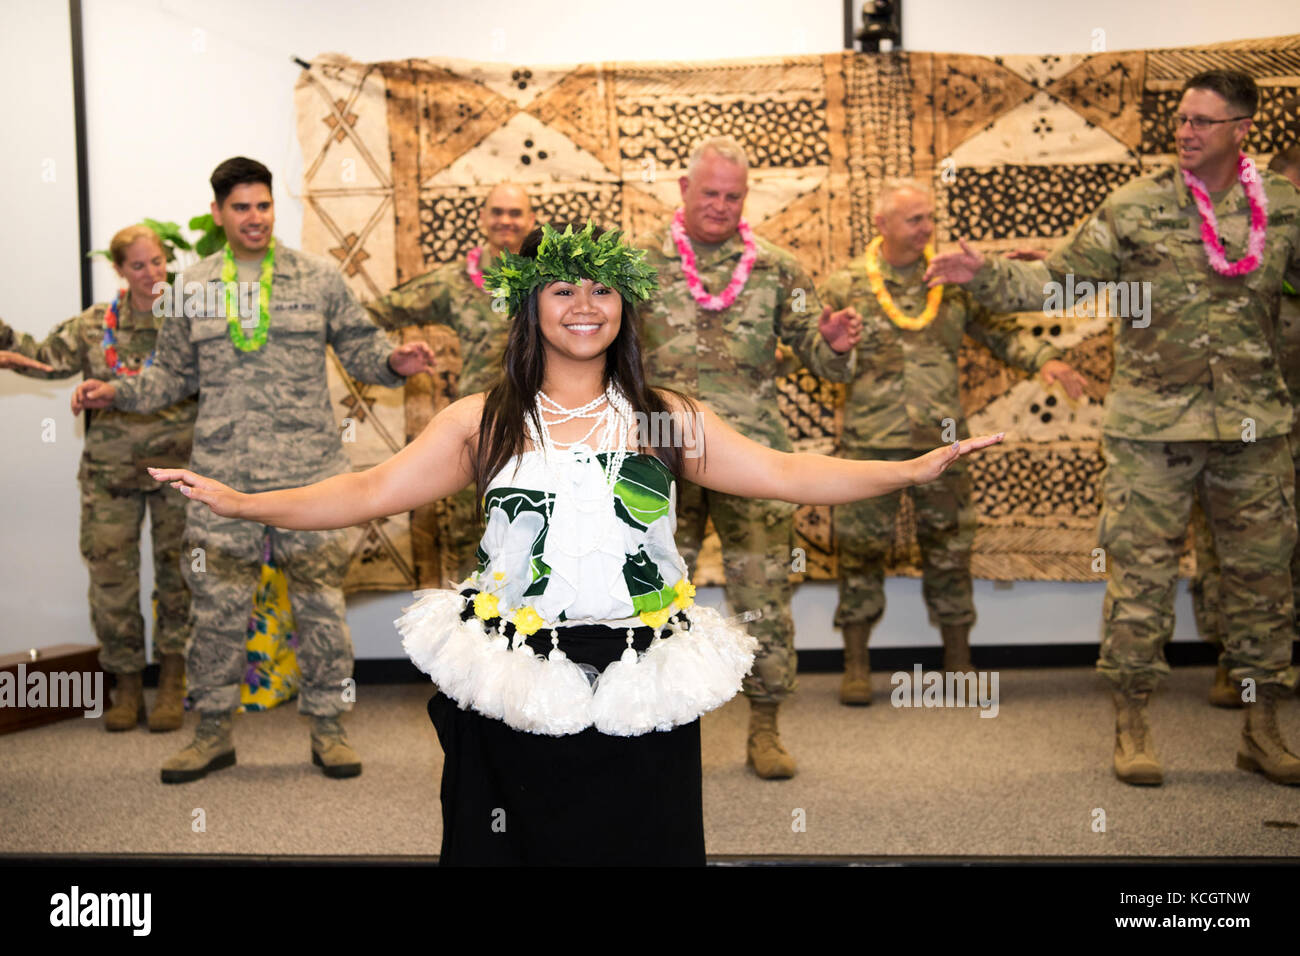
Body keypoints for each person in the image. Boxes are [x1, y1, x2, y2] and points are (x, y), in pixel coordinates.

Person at [147, 221, 1001, 865]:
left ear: (623, 306)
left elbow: (784, 471)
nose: (585, 306)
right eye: (562, 290)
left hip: (642, 674)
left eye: (601, 290)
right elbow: (368, 490)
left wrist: (905, 471)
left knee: (645, 850)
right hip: (519, 670)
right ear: (532, 306)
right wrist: (246, 499)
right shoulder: (482, 421)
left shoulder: (666, 416)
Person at [926, 70, 1300, 787]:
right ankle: (1132, 725)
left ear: (1241, 129)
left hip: (1254, 430)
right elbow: (1062, 283)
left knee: (1262, 585)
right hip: (1150, 432)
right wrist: (985, 273)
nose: (1185, 132)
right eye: (1181, 119)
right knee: (1139, 583)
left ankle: (1261, 729)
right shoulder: (1135, 206)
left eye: (1202, 122)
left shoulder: (1283, 207)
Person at [72, 157, 436, 782]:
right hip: (221, 479)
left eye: (264, 206)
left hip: (311, 477)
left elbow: (362, 348)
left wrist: (395, 363)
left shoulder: (318, 278)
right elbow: (171, 376)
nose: (255, 218)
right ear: (218, 213)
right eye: (241, 207)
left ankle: (330, 729)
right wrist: (119, 392)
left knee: (320, 604)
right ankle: (211, 733)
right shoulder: (192, 286)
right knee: (214, 606)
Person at [636, 136, 863, 779]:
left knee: (762, 593)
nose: (720, 205)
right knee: (647, 591)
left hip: (751, 455)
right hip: (660, 452)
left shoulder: (780, 269)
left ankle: (764, 726)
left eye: (733, 196)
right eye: (709, 193)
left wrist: (836, 344)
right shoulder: (634, 262)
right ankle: (647, 725)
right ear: (682, 190)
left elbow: (821, 359)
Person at [819, 180, 1087, 703]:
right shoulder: (845, 284)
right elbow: (819, 349)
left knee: (949, 550)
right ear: (882, 225)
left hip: (941, 447)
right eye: (914, 219)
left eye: (928, 218)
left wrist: (1044, 360)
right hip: (868, 445)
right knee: (859, 553)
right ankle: (855, 665)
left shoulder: (952, 280)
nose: (926, 228)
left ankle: (959, 663)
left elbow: (1000, 333)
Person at [1, 226, 195, 732]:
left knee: (181, 579)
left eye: (157, 262)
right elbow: (44, 358)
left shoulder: (187, 318)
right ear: (119, 271)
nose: (151, 275)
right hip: (111, 475)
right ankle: (126, 685)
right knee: (112, 582)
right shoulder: (94, 325)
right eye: (138, 266)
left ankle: (173, 681)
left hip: (179, 469)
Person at [365, 183, 536, 580]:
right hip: (483, 434)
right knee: (473, 546)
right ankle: (472, 634)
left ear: (530, 220)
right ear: (482, 220)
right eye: (497, 212)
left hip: (544, 433)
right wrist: (392, 358)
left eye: (515, 213)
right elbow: (374, 315)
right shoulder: (453, 282)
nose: (505, 221)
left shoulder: (551, 279)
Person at [1191, 143, 1300, 707]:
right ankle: (1231, 660)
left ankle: (1279, 659)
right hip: (1241, 430)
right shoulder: (1234, 264)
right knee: (1230, 548)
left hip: (1290, 424)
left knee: (1283, 550)